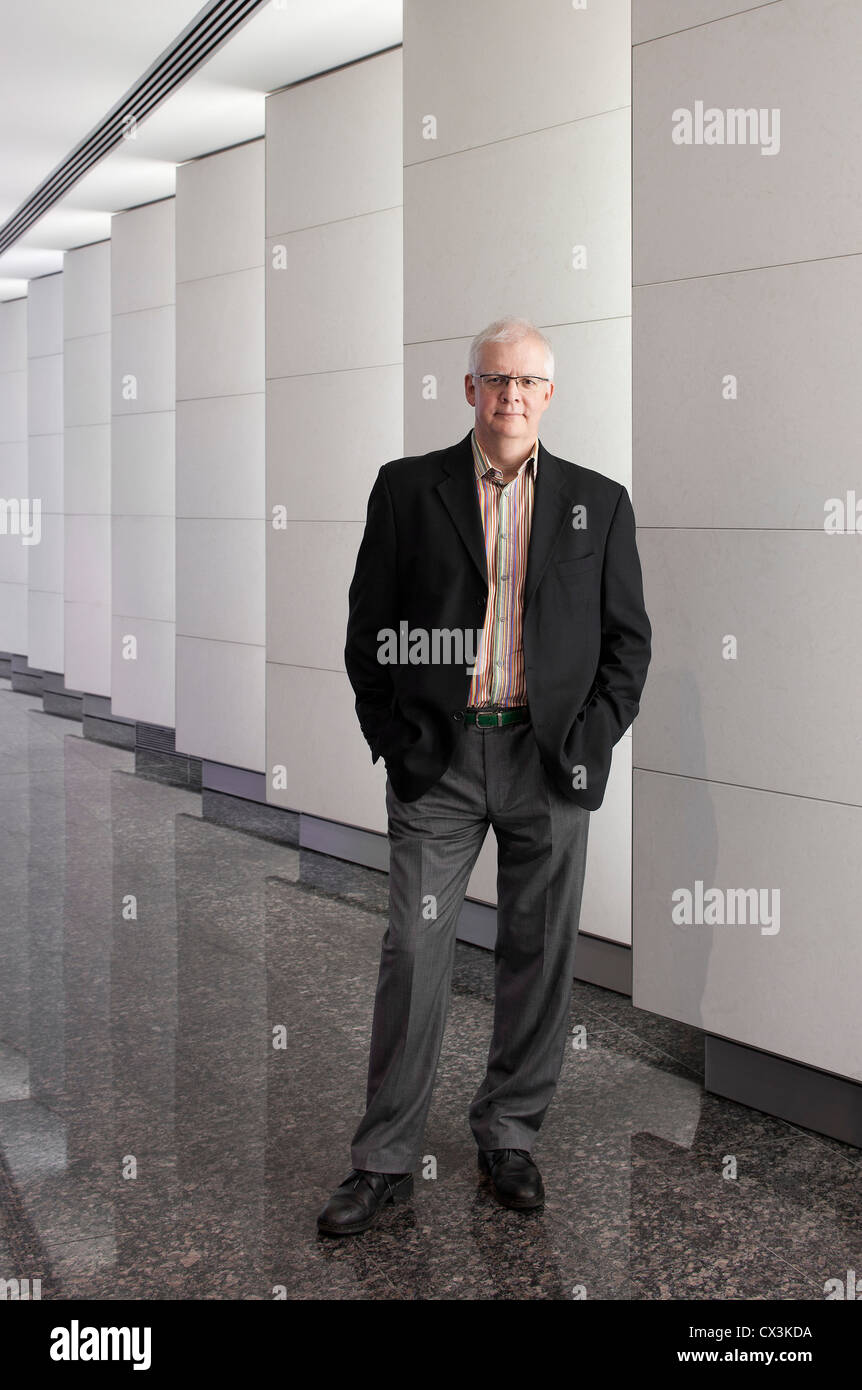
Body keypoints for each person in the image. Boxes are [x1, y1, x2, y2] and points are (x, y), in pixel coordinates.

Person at [316, 316, 651, 1236]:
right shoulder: (407, 489)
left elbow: (629, 645)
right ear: (469, 390)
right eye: (495, 379)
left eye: (528, 383)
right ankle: (383, 1160)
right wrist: (395, 735)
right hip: (444, 761)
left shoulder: (598, 502)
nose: (511, 396)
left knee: (538, 955)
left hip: (549, 764)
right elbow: (368, 629)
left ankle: (510, 1134)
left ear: (550, 395)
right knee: (415, 954)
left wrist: (590, 741)